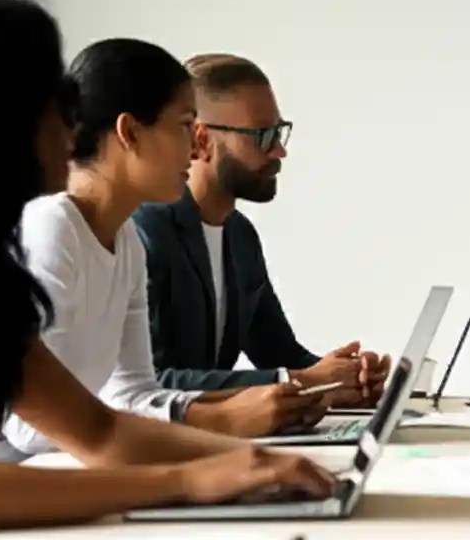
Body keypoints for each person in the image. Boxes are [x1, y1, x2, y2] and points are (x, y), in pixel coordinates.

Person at [0, 0, 334, 529]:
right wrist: (187, 477)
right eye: (56, 109)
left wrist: (251, 462)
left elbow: (100, 430)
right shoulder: (51, 229)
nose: (72, 131)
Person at [5, 38, 329, 455]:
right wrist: (222, 420)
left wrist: (261, 405)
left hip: (70, 468)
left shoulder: (125, 242)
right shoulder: (53, 229)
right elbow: (28, 431)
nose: (196, 148)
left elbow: (136, 394)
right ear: (130, 133)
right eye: (183, 125)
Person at [133, 53, 389, 404]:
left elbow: (279, 353)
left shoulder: (239, 235)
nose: (279, 151)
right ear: (201, 140)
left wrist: (346, 378)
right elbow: (152, 382)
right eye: (263, 136)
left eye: (280, 132)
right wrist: (298, 380)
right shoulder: (144, 233)